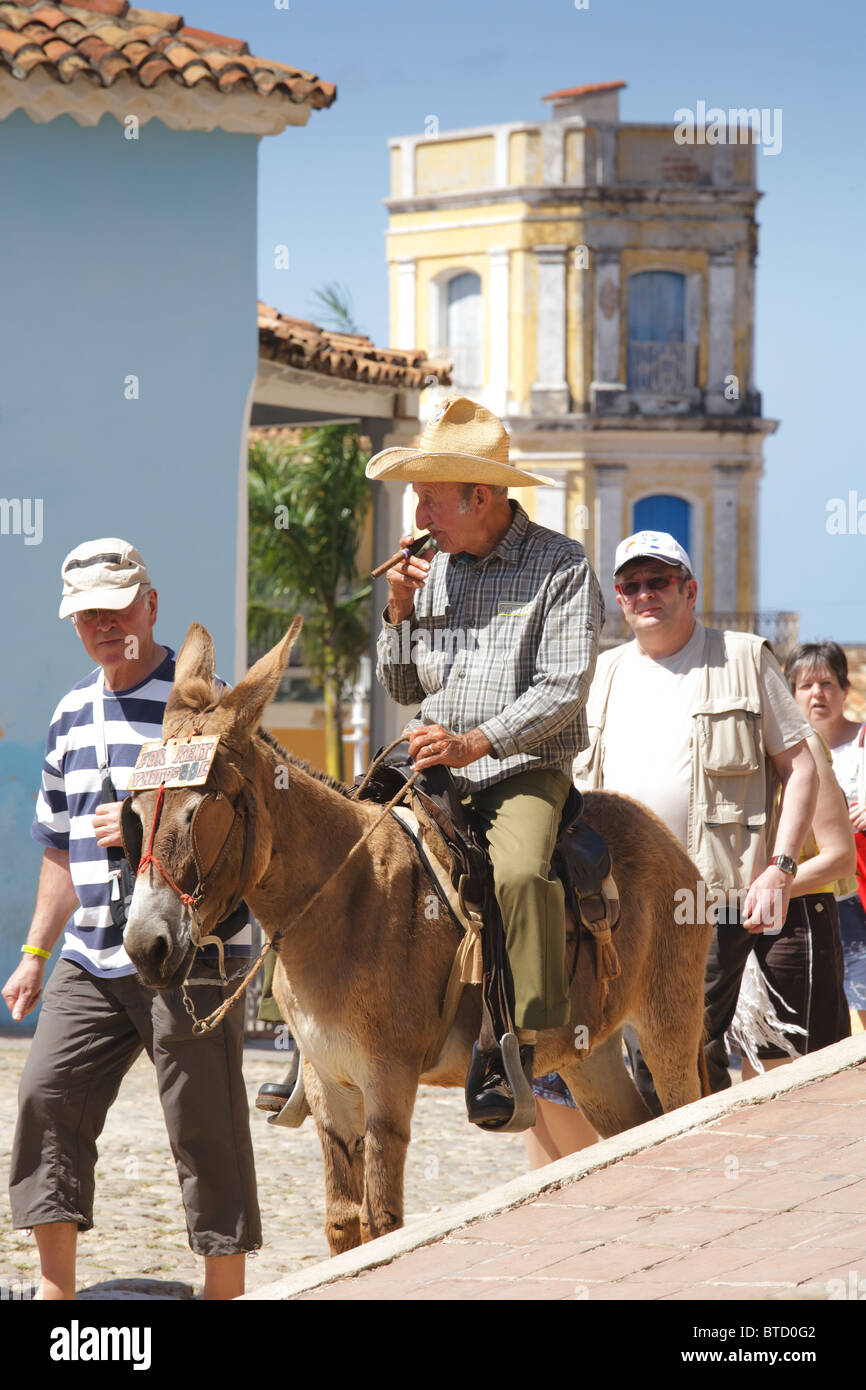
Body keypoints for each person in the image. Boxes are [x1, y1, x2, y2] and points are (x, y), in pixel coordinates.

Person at [2, 539, 260, 1300]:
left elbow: (229, 820)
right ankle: (57, 1293)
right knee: (46, 1096)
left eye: (117, 609)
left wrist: (144, 821)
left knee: (201, 1117)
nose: (104, 625)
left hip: (190, 949)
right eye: (88, 615)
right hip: (92, 952)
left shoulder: (199, 705)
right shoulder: (70, 715)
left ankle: (224, 1289)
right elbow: (58, 849)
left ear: (150, 604)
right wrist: (33, 953)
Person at [367, 395, 604, 1129]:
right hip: (432, 760)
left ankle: (519, 1043)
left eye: (430, 499)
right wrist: (398, 617)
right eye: (416, 497)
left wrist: (478, 742)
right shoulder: (429, 571)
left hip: (520, 767)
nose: (418, 516)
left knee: (518, 875)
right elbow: (405, 686)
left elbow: (564, 689)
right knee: (339, 844)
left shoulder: (561, 566)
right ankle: (300, 1037)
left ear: (481, 497)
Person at [567, 529, 819, 1121]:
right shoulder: (600, 674)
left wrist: (780, 871)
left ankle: (690, 1182)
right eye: (631, 586)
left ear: (691, 590)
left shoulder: (743, 658)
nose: (645, 594)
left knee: (681, 1046)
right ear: (620, 600)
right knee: (644, 1050)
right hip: (614, 898)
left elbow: (801, 767)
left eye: (659, 582)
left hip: (707, 896)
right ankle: (694, 1172)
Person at [727, 721, 853, 1078]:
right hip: (736, 921)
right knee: (751, 1073)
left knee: (790, 1077)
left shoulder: (804, 746)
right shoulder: (733, 744)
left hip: (797, 923)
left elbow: (840, 856)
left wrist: (764, 892)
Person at [783, 641, 866, 1025]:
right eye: (806, 685)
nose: (818, 693)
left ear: (845, 691)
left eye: (828, 684)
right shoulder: (781, 754)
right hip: (813, 894)